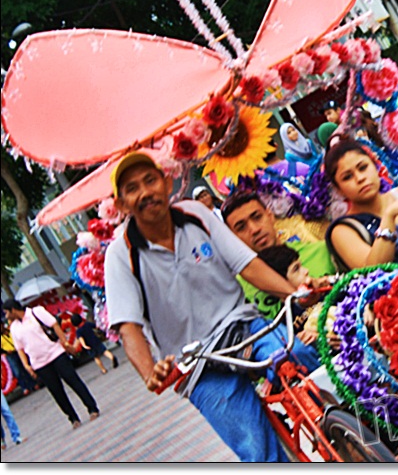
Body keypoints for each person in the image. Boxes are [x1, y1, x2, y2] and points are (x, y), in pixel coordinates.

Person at [103, 151, 321, 462]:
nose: (145, 192)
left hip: (242, 327)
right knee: (257, 450)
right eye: (132, 188)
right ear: (122, 204)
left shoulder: (195, 215)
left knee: (298, 359)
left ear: (166, 183)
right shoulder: (119, 255)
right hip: (195, 363)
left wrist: (294, 294)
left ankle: (356, 429)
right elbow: (128, 327)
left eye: (150, 180)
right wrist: (151, 373)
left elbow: (247, 265)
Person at [222, 190, 336, 320]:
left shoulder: (321, 251)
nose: (254, 229)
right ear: (233, 238)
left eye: (257, 217)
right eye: (241, 227)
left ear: (270, 216)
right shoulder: (237, 289)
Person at [324, 139, 398, 272]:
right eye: (347, 177)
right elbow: (374, 271)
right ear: (338, 189)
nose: (360, 178)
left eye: (363, 168)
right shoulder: (342, 230)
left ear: (375, 166)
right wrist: (389, 217)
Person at [2, 300, 99, 430]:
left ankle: (92, 408)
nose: (6, 316)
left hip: (56, 353)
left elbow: (54, 325)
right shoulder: (14, 327)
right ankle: (73, 418)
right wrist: (27, 365)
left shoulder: (36, 312)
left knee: (73, 380)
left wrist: (65, 343)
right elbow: (20, 349)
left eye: (7, 312)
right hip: (39, 363)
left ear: (13, 310)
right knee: (57, 391)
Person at [1, 321, 39, 395]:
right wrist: (5, 352)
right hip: (10, 354)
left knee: (25, 367)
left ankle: (33, 384)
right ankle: (24, 387)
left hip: (18, 351)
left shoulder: (10, 331)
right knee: (17, 371)